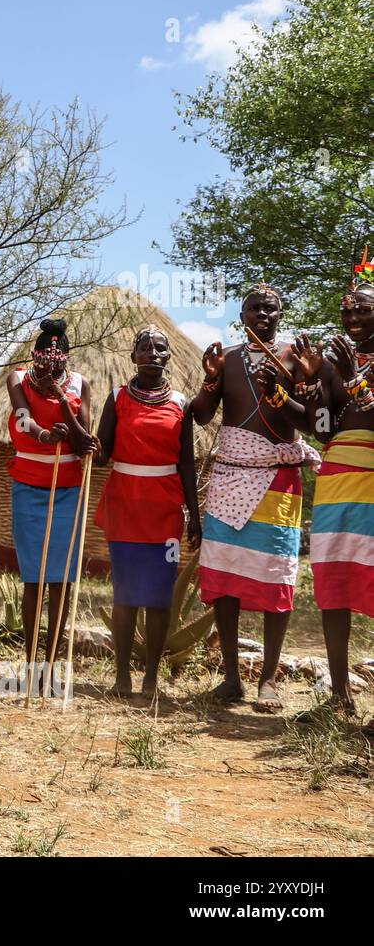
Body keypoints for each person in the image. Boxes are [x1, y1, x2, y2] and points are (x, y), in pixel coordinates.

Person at [190, 284, 322, 713]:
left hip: (278, 480)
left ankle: (267, 679)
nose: (262, 314)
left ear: (281, 313)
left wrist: (292, 387)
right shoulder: (226, 359)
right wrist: (210, 381)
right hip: (230, 475)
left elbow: (310, 421)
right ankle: (231, 678)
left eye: (270, 308)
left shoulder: (293, 357)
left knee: (276, 575)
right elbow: (203, 416)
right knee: (224, 578)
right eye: (254, 308)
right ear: (242, 315)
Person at [94, 326, 202, 699]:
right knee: (125, 593)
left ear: (168, 356)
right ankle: (121, 675)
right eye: (145, 348)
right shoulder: (116, 398)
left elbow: (186, 463)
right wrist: (89, 444)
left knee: (159, 595)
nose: (153, 354)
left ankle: (152, 677)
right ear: (133, 355)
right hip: (125, 505)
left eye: (160, 348)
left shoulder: (181, 403)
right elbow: (103, 454)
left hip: (166, 509)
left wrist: (195, 514)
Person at [296, 262, 374, 724]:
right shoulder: (331, 361)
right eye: (347, 312)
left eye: (362, 310)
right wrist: (313, 387)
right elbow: (323, 430)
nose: (352, 319)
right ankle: (340, 695)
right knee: (333, 579)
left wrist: (350, 381)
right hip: (337, 474)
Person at [5, 318, 97, 678]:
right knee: (35, 579)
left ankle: (52, 663)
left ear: (68, 359)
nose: (50, 367)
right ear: (34, 356)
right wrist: (45, 436)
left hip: (68, 486)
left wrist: (60, 400)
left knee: (60, 579)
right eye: (44, 360)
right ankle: (30, 663)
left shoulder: (79, 385)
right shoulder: (18, 378)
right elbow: (22, 419)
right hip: (28, 483)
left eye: (58, 361)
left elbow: (85, 439)